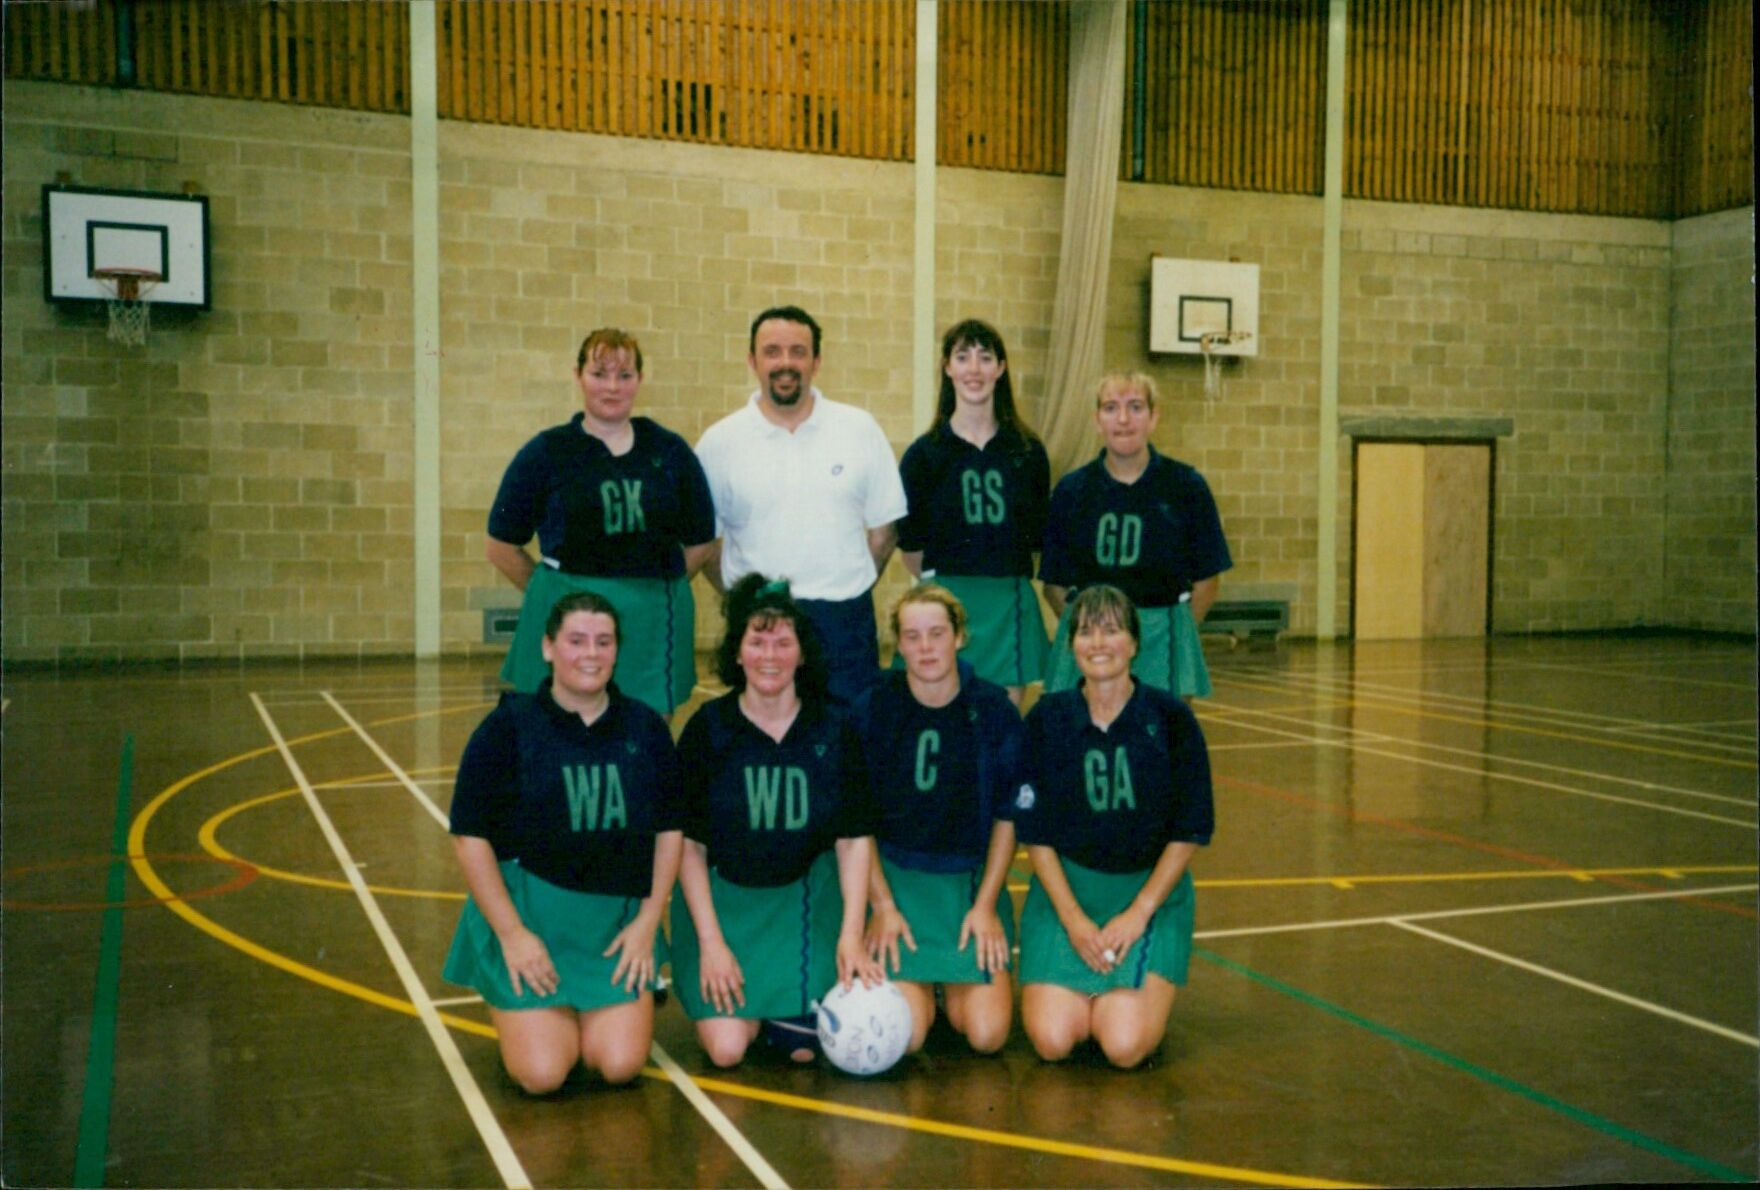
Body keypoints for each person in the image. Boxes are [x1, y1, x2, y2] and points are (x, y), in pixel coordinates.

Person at [442, 592, 684, 1092]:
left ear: (617, 650)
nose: (590, 654)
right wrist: (512, 935)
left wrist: (647, 921)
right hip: (532, 920)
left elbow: (669, 831)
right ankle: (517, 1002)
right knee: (543, 1075)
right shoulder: (508, 728)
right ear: (548, 647)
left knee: (618, 1065)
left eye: (603, 641)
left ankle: (575, 1012)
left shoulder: (645, 728)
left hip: (613, 931)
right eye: (575, 641)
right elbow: (470, 837)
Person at [671, 574, 885, 1068]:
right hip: (725, 909)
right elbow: (689, 846)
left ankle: (786, 1013)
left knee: (806, 1051)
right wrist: (711, 944)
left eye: (783, 642)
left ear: (802, 653)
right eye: (757, 640)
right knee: (727, 1051)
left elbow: (854, 841)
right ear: (738, 652)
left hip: (804, 906)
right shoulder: (708, 730)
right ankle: (770, 1011)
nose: (770, 654)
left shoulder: (834, 728)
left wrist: (851, 935)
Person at [1014, 585, 1214, 1069]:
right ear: (1071, 644)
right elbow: (1034, 833)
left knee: (1123, 1047)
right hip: (1067, 897)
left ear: (1135, 642)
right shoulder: (1047, 719)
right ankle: (1098, 996)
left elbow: (1189, 829)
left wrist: (1139, 912)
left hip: (1146, 896)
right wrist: (1074, 920)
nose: (1098, 642)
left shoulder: (1171, 719)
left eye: (1111, 629)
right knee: (1052, 1040)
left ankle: (1131, 1006)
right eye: (1085, 631)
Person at [485, 327, 716, 717]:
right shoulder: (546, 452)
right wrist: (556, 593)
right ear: (577, 376)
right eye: (599, 374)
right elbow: (500, 546)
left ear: (640, 380)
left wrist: (655, 588)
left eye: (624, 376)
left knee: (643, 737)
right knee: (559, 732)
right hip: (571, 618)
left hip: (649, 622)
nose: (612, 387)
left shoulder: (670, 451)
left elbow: (701, 541)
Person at [695, 306, 909, 706]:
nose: (785, 363)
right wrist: (744, 597)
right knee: (764, 744)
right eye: (772, 351)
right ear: (752, 361)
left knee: (849, 746)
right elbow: (704, 542)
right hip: (759, 624)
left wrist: (845, 584)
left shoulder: (859, 428)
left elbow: (884, 532)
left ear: (816, 361)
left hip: (844, 625)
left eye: (798, 351)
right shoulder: (719, 442)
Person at [851, 585, 1022, 1055]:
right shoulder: (873, 708)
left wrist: (986, 905)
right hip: (896, 887)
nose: (925, 648)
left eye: (936, 633)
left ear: (960, 636)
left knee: (987, 1037)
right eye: (912, 636)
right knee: (905, 1038)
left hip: (965, 892)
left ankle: (949, 988)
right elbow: (855, 819)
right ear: (899, 645)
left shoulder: (992, 710)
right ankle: (929, 991)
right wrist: (882, 905)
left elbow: (1009, 817)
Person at [1039, 372, 1231, 699]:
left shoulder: (1186, 486)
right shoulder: (1072, 491)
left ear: (1154, 417)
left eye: (1136, 407)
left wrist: (1176, 632)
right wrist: (1092, 632)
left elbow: (1207, 581)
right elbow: (1053, 586)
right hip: (1092, 642)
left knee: (1161, 743)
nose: (1124, 419)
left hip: (1161, 637)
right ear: (1097, 420)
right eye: (1111, 408)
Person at [896, 319, 1051, 704]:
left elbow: (1036, 540)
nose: (974, 369)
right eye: (963, 357)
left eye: (985, 358)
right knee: (944, 717)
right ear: (948, 367)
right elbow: (912, 553)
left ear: (1001, 368)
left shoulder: (1027, 452)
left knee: (1003, 725)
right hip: (944, 602)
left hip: (1007, 600)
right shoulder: (923, 455)